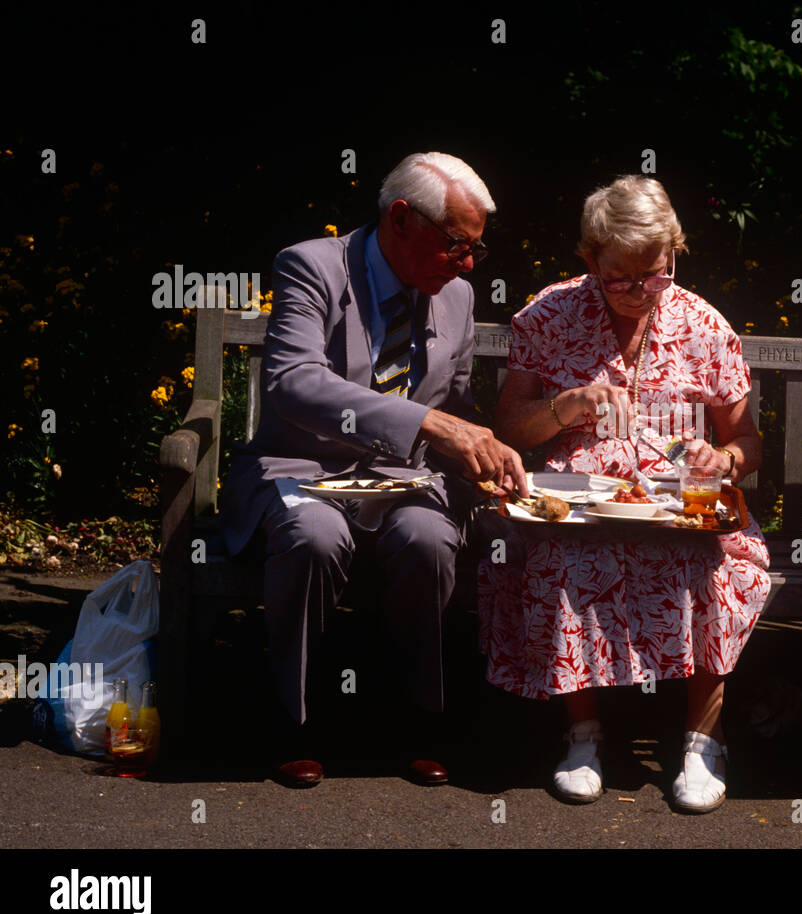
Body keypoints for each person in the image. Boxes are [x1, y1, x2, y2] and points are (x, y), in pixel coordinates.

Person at [223, 152, 527, 789]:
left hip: (402, 477)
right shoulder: (312, 266)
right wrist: (423, 422)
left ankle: (415, 718)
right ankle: (294, 722)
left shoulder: (458, 296)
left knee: (430, 539)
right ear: (400, 219)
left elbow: (455, 405)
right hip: (301, 464)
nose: (468, 264)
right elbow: (294, 382)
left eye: (476, 249)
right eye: (456, 245)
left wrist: (483, 450)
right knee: (314, 537)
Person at [478, 175, 770, 813]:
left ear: (675, 255)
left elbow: (747, 441)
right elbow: (509, 427)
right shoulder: (550, 313)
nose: (641, 292)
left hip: (677, 504)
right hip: (575, 504)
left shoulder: (705, 325)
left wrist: (721, 459)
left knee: (712, 563)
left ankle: (702, 740)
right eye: (622, 278)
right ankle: (582, 735)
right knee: (562, 561)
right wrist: (565, 405)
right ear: (589, 259)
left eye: (657, 274)